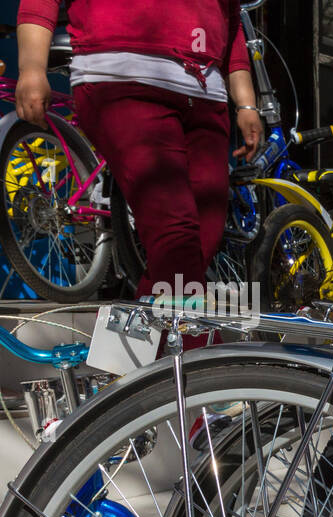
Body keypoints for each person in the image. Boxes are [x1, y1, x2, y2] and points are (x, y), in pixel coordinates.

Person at [14, 0, 263, 305]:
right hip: (123, 82)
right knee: (176, 231)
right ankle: (191, 344)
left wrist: (247, 102)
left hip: (206, 97)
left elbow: (231, 18)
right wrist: (31, 69)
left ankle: (147, 340)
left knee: (204, 236)